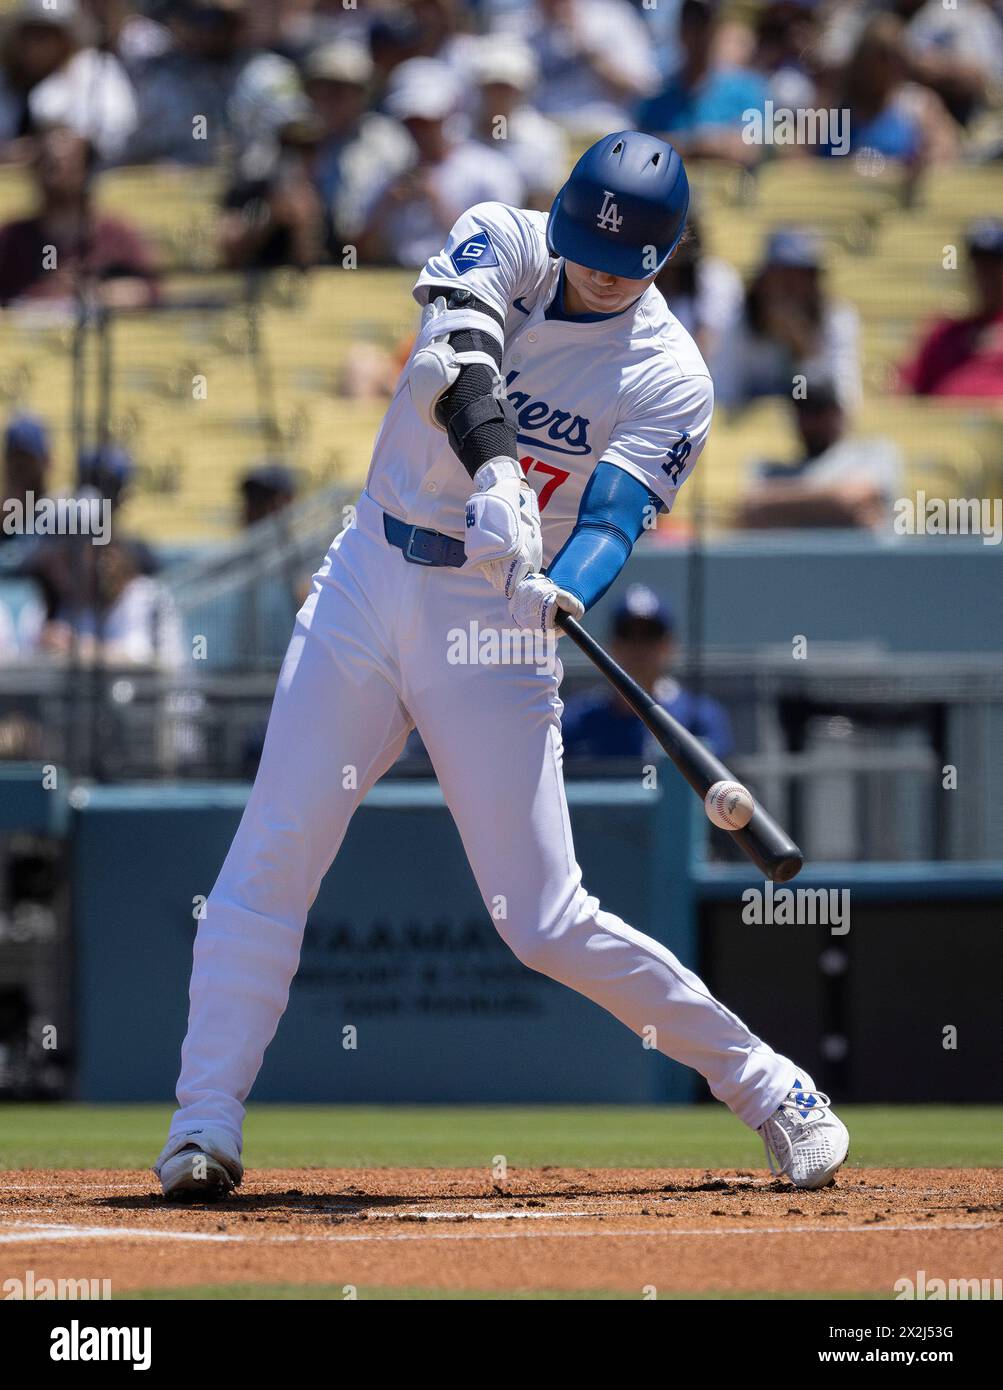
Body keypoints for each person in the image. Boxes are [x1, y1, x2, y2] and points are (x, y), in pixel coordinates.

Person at [153, 130, 849, 1203]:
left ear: (663, 259)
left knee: (541, 919)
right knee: (271, 855)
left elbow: (619, 509)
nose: (596, 267)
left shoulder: (670, 373)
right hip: (368, 575)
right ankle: (203, 1128)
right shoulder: (503, 238)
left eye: (625, 259)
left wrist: (566, 582)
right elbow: (455, 361)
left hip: (495, 623)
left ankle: (771, 1087)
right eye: (586, 243)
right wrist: (498, 476)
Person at [357, 57, 522, 268]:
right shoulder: (386, 172)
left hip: (465, 289)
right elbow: (358, 251)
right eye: (411, 122)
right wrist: (387, 205)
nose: (418, 131)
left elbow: (504, 250)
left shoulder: (491, 171)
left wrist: (437, 201)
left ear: (449, 115)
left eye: (427, 122)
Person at [561, 584, 733, 762]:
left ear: (669, 645)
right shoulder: (576, 719)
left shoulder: (699, 717)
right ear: (611, 645)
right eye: (627, 634)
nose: (639, 647)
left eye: (651, 635)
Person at [0, 124, 158, 308]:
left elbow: (150, 291)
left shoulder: (116, 236)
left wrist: (108, 293)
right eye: (46, 164)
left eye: (64, 165)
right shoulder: (12, 239)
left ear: (86, 170)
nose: (54, 176)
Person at [712, 227, 861, 410]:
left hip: (811, 435)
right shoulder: (736, 321)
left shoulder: (837, 319)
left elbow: (843, 402)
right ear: (764, 279)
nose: (790, 287)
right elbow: (724, 396)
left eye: (800, 276)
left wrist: (803, 355)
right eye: (781, 275)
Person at [739, 377, 902, 531]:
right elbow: (751, 508)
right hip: (798, 560)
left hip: (865, 560)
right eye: (802, 411)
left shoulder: (874, 451)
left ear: (839, 413)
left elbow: (851, 498)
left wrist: (777, 502)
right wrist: (834, 502)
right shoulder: (771, 468)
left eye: (817, 410)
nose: (809, 421)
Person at [0, 0, 137, 164]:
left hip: (89, 182)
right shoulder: (5, 79)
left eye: (46, 34)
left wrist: (75, 146)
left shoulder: (96, 69)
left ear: (66, 38)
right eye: (29, 33)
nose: (35, 44)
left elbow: (118, 132)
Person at [637, 0, 769, 167]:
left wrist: (681, 145)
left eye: (704, 24)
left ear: (716, 30)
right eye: (690, 23)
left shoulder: (747, 88)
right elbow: (641, 151)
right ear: (680, 29)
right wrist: (714, 143)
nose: (697, 33)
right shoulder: (657, 94)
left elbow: (747, 150)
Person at [898, 218, 1003, 398]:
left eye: (995, 266)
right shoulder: (944, 333)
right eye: (980, 266)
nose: (986, 276)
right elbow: (909, 390)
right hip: (937, 422)